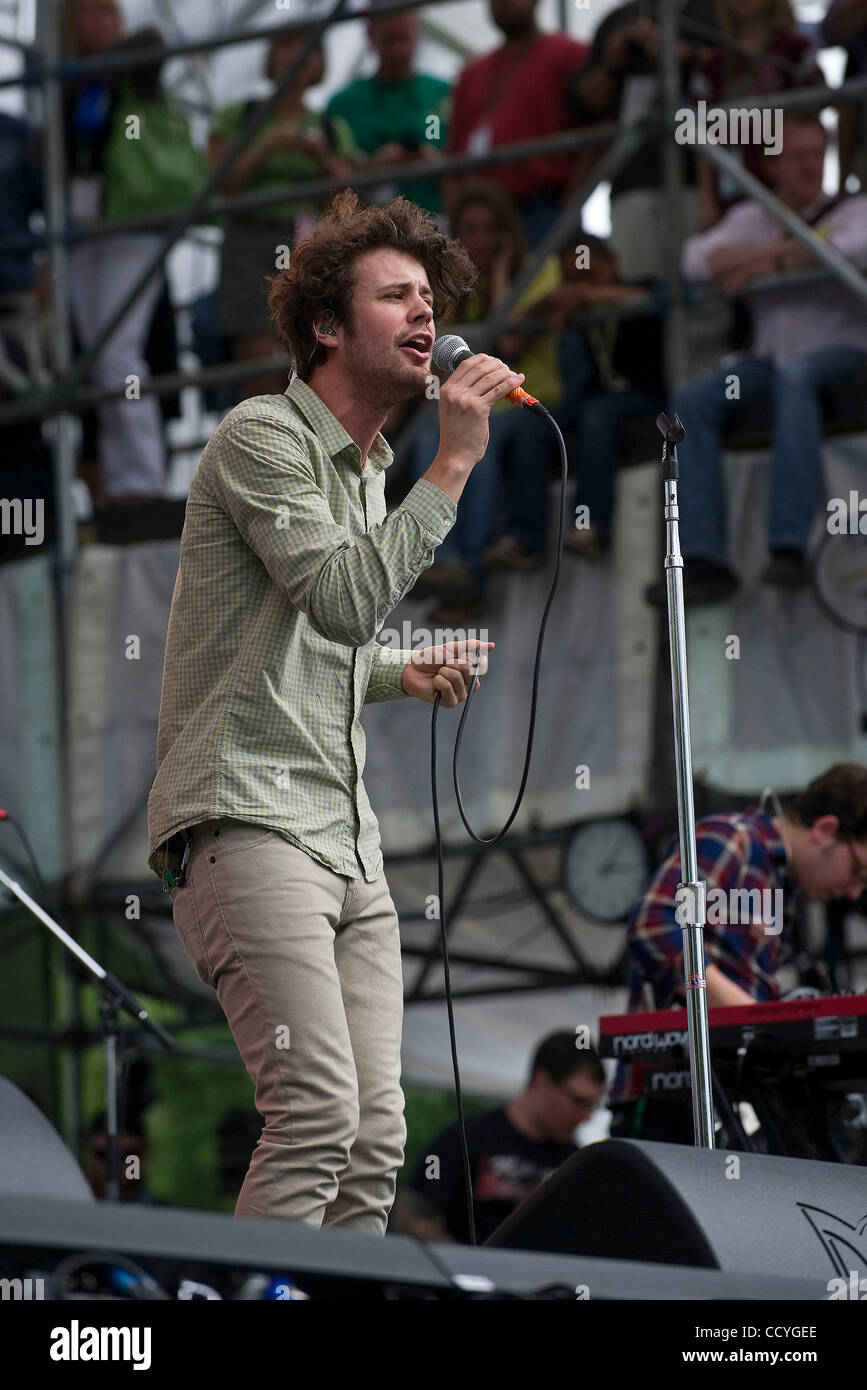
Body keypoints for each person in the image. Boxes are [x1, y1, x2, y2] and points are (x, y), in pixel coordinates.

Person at [146, 188, 526, 1233]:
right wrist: (455, 463)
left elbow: (308, 643)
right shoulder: (261, 436)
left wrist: (395, 674)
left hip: (345, 840)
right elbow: (348, 597)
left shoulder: (370, 471)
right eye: (395, 295)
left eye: (428, 297)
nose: (425, 316)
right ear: (326, 324)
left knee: (373, 1139)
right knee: (314, 1111)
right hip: (249, 818)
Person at [648, 113, 867, 607]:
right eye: (798, 157)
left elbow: (855, 245)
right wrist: (792, 251)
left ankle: (787, 545)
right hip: (767, 360)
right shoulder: (756, 213)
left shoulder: (851, 207)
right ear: (772, 166)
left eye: (817, 154)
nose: (811, 166)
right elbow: (696, 260)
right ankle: (703, 558)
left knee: (797, 375)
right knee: (692, 396)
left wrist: (763, 260)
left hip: (843, 354)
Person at [609, 762, 867, 1141]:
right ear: (825, 830)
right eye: (858, 871)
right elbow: (655, 925)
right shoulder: (735, 840)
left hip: (722, 1092)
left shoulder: (781, 880)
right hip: (672, 1092)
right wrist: (751, 1019)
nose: (855, 892)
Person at [410, 179, 562, 619]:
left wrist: (499, 275)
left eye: (488, 229)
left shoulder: (538, 269)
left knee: (481, 443)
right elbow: (436, 358)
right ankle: (443, 560)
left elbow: (510, 341)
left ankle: (468, 570)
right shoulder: (458, 289)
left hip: (527, 401)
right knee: (427, 437)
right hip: (476, 405)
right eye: (469, 230)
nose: (478, 240)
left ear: (507, 232)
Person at [60, 0, 182, 503]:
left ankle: (140, 483)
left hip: (132, 227)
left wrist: (96, 68)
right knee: (98, 356)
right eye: (85, 14)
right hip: (83, 232)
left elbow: (155, 40)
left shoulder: (131, 73)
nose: (98, 22)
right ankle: (120, 482)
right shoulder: (64, 83)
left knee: (116, 353)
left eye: (105, 12)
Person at [486, 234, 665, 569]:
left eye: (589, 270)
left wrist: (582, 295)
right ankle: (523, 539)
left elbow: (656, 299)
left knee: (597, 414)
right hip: (590, 401)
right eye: (573, 277)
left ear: (611, 261)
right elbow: (511, 336)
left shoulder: (641, 287)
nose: (581, 282)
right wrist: (554, 300)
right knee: (533, 423)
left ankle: (591, 527)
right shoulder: (573, 309)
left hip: (644, 396)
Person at [209, 26, 358, 397]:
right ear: (270, 59)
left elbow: (349, 195)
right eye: (284, 47)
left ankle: (301, 447)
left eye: (305, 50)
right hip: (250, 240)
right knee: (257, 359)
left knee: (309, 357)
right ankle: (264, 441)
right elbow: (219, 183)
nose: (293, 58)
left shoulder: (330, 126)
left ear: (319, 64)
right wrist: (268, 147)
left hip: (308, 245)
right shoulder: (239, 115)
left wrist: (323, 158)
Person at [392, 1032, 606, 1244]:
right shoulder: (465, 1139)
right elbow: (409, 1215)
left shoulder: (577, 1163)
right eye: (579, 1101)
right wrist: (465, 1265)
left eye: (593, 1105)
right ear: (541, 1082)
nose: (587, 1116)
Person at [566, 0, 713, 281]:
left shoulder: (711, 13)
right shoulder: (618, 21)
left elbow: (732, 84)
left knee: (699, 291)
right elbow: (586, 105)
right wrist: (614, 60)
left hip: (698, 182)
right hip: (631, 184)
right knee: (638, 293)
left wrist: (689, 57)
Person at [442, 0, 589, 247]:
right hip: (479, 222)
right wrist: (458, 215)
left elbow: (597, 134)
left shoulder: (569, 55)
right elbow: (452, 157)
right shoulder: (472, 73)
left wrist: (571, 199)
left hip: (542, 211)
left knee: (542, 283)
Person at [689, 0, 823, 229]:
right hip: (731, 191)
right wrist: (707, 201)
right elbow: (700, 135)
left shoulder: (796, 49)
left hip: (788, 193)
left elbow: (813, 117)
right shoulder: (713, 63)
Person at [326, 8, 450, 216]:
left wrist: (433, 162)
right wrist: (375, 166)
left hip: (433, 218)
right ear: (371, 36)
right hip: (365, 222)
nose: (398, 51)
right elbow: (333, 175)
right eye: (389, 41)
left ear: (417, 34)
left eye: (404, 40)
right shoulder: (343, 104)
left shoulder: (442, 93)